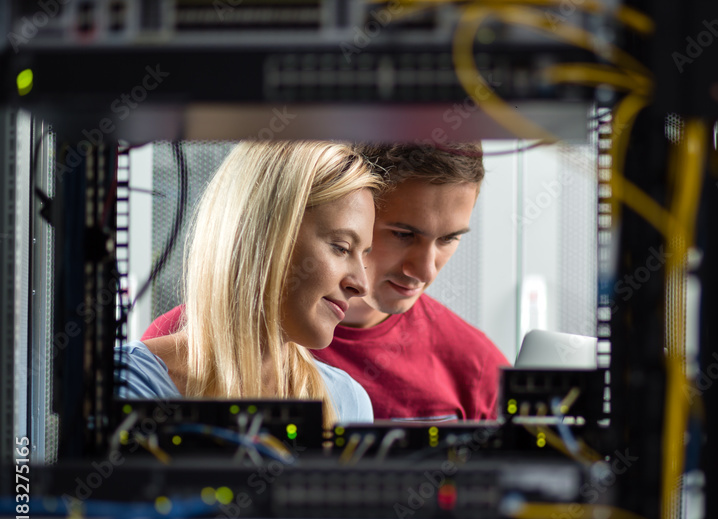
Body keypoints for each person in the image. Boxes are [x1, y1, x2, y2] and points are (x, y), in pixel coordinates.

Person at [145, 142, 509, 422]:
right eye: (403, 234)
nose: (426, 270)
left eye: (448, 239)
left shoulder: (474, 364)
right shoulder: (176, 345)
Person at [120, 141, 382, 427]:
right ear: (262, 234)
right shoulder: (128, 384)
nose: (362, 285)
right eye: (341, 247)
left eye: (365, 255)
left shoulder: (348, 401)